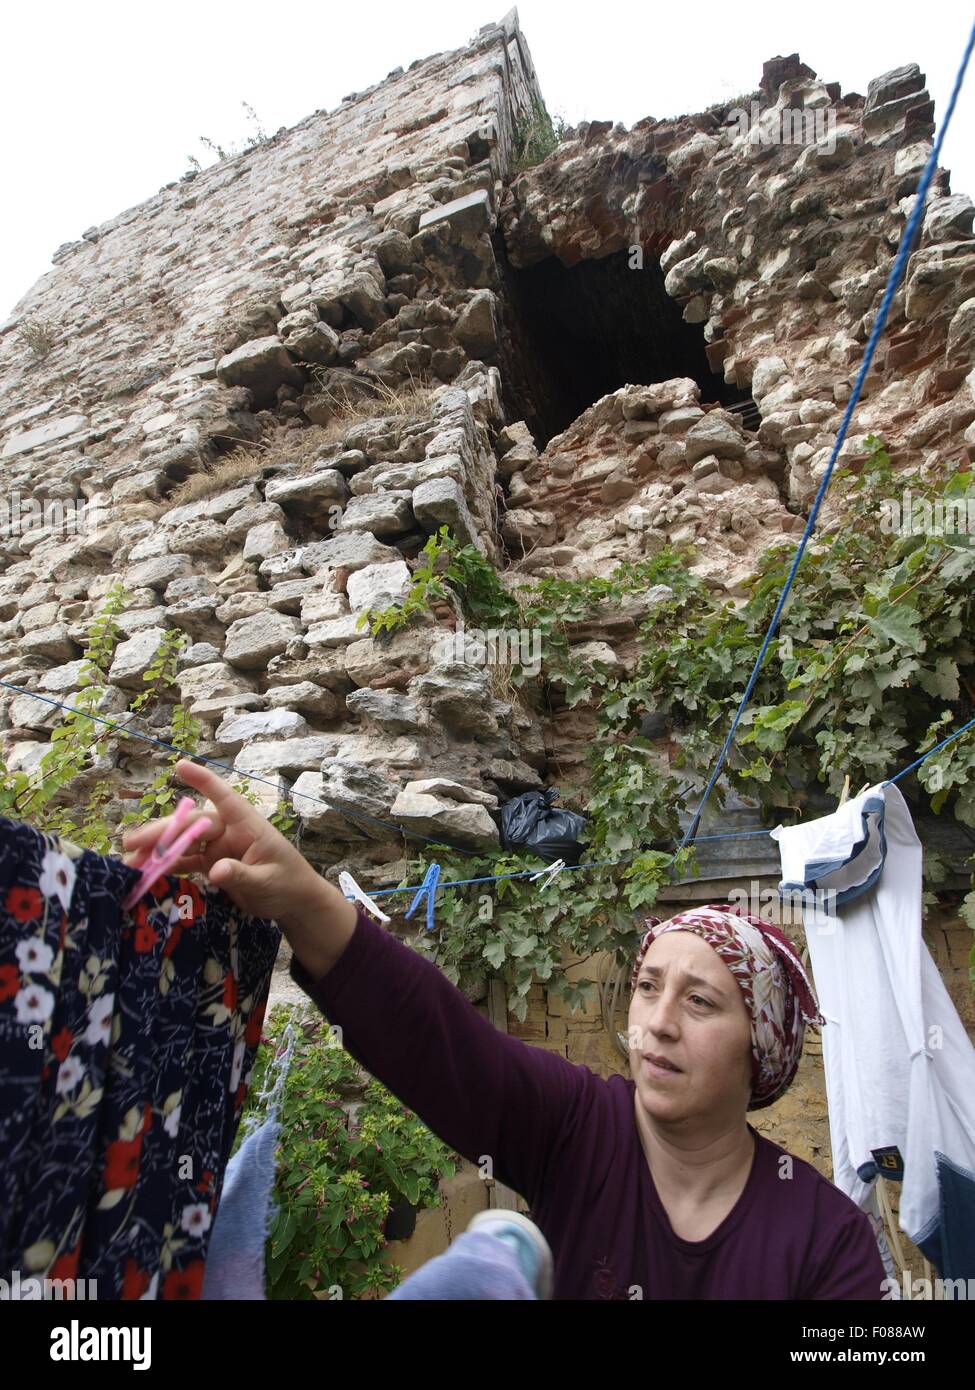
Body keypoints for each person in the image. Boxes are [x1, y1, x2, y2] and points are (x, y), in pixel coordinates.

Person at [123, 759, 889, 1301]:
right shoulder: (580, 1129)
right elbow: (439, 1040)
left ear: (760, 1045)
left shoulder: (824, 1242)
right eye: (648, 986)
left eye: (699, 1003)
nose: (655, 1024)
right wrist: (301, 896)